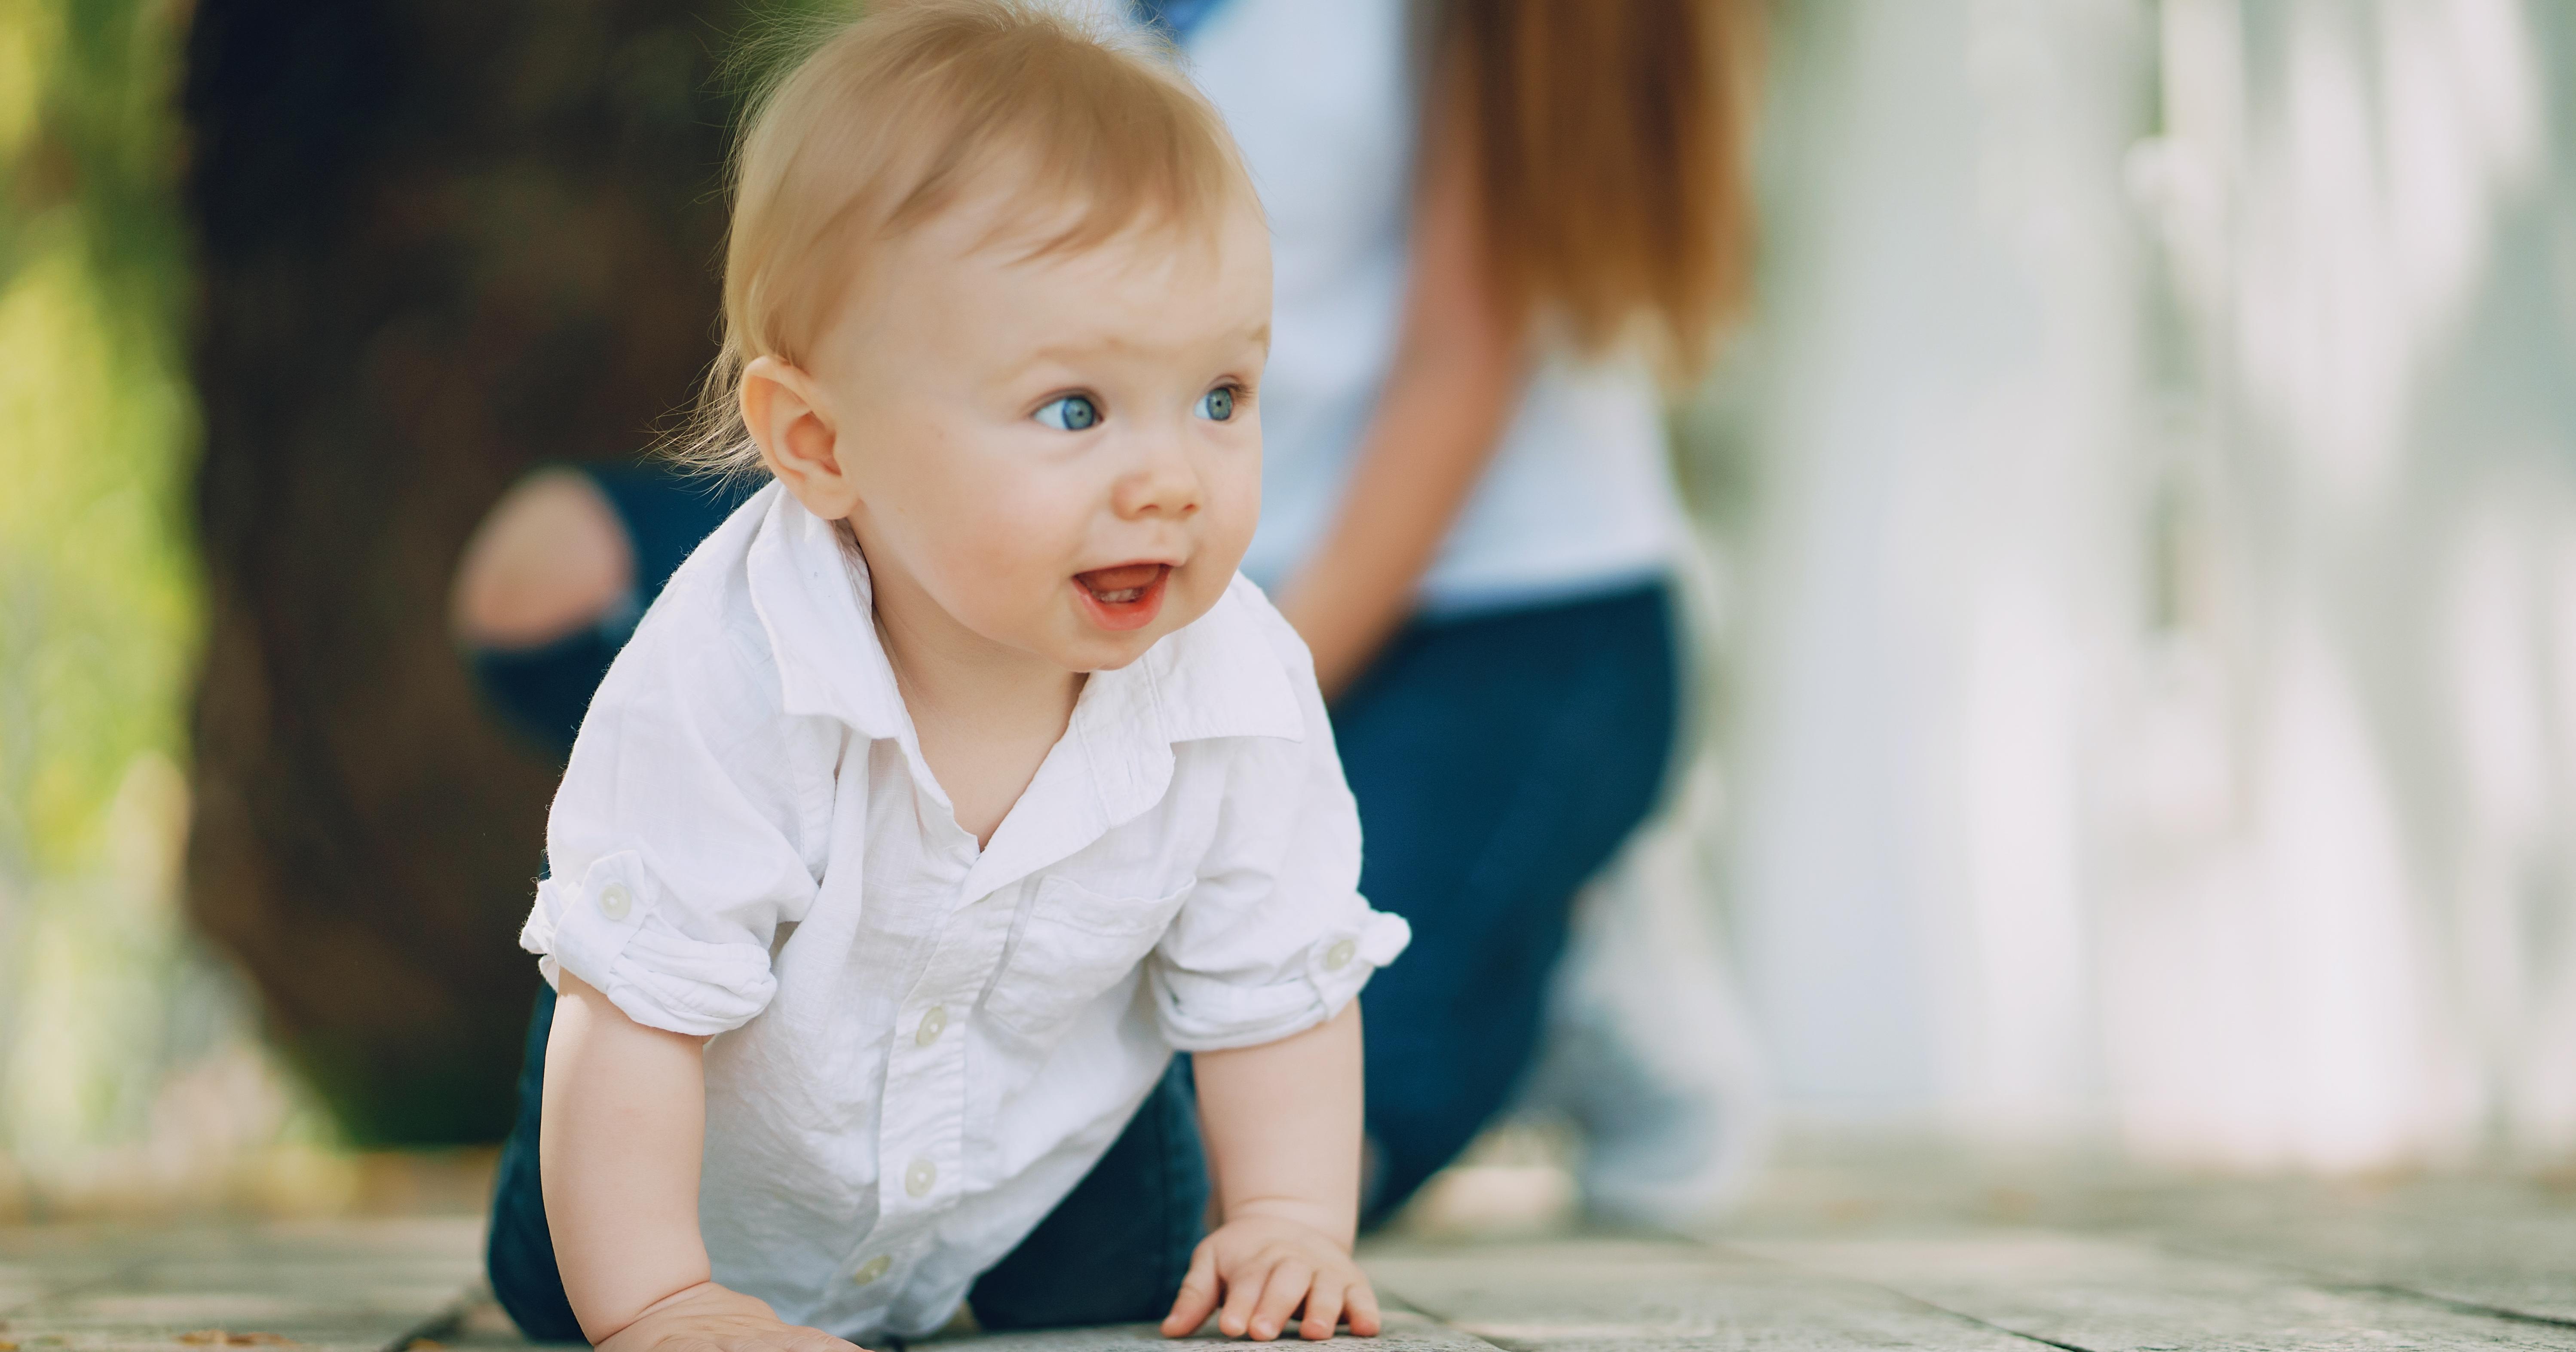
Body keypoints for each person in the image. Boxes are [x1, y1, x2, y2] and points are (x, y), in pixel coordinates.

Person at [458, 0, 1754, 1232]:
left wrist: (1195, 721)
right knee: (553, 584)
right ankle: (909, 898)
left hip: (1479, 611)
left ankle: (1539, 923)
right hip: (1059, 544)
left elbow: (1456, 361)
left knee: (1211, 1171)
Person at [480, 6, 1409, 1349]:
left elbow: (1280, 981)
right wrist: (662, 1305)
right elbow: (636, 1024)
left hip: (1049, 1169)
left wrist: (1285, 1216)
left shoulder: (1236, 678)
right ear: (819, 441)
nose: (1170, 478)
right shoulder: (731, 668)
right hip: (683, 1188)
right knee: (569, 1264)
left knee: (1156, 1280)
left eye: (1220, 396)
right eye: (1075, 409)